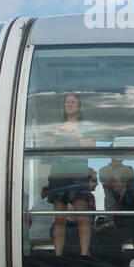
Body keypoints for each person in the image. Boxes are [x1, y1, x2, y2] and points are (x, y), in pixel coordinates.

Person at [49, 92, 96, 256]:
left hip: (78, 172)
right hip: (58, 173)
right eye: (67, 102)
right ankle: (58, 255)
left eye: (73, 102)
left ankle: (85, 253)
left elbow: (91, 146)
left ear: (79, 106)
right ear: (63, 106)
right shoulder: (57, 125)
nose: (70, 104)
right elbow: (49, 150)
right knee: (59, 218)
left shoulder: (87, 125)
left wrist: (76, 134)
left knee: (82, 216)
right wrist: (56, 136)